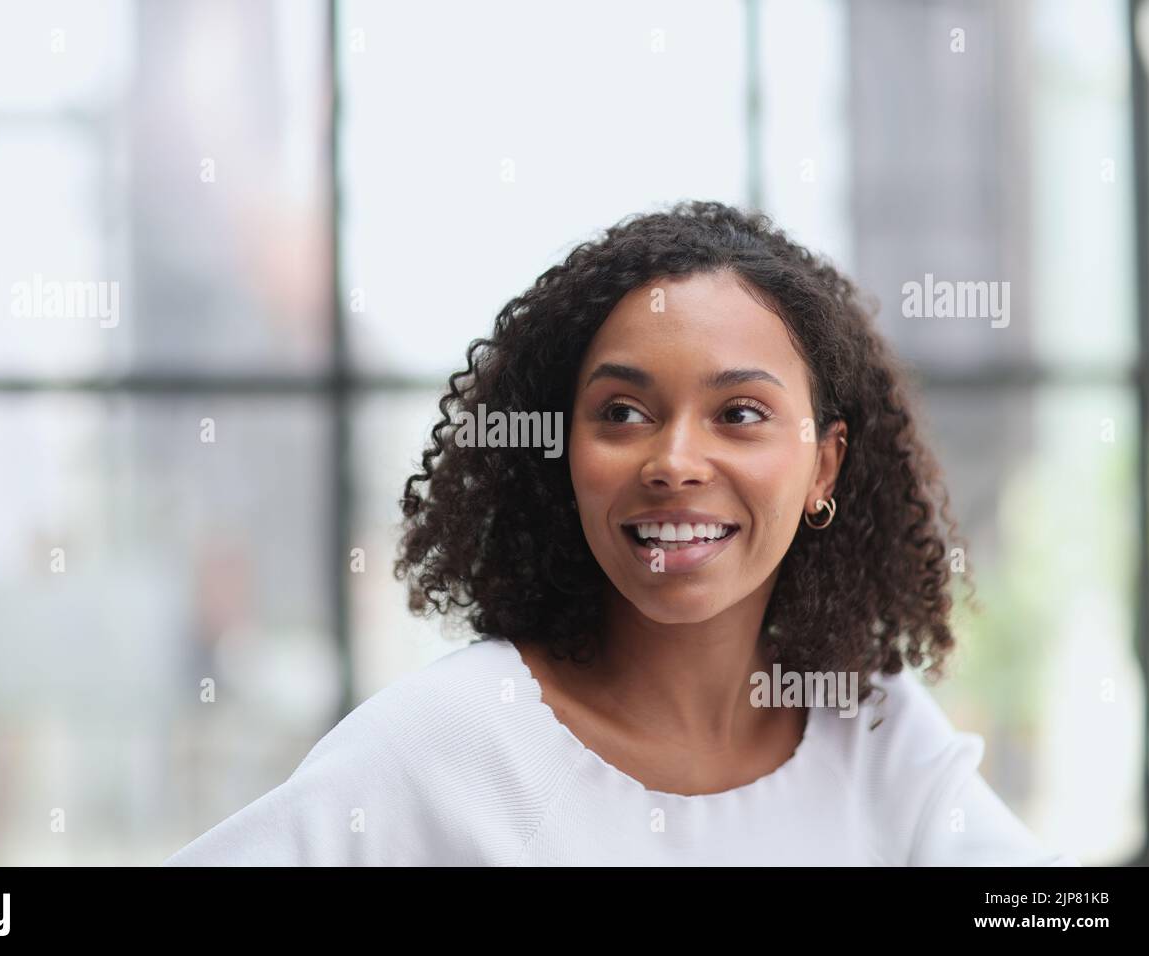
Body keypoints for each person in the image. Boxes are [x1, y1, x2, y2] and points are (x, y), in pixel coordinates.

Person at [166, 201, 1078, 866]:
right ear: (565, 456)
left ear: (824, 467)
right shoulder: (445, 744)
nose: (674, 460)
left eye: (741, 413)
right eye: (624, 412)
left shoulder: (871, 729)